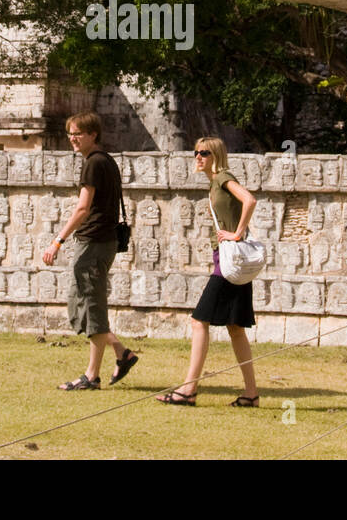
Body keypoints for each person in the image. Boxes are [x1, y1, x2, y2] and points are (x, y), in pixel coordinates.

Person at [40, 111, 140, 390]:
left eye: (78, 133)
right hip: (99, 241)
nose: (72, 138)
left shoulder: (94, 164)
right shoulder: (105, 161)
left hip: (94, 242)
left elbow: (83, 207)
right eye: (70, 133)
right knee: (83, 303)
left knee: (92, 306)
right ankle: (122, 353)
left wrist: (57, 240)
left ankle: (92, 375)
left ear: (92, 134)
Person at [158, 136, 259, 407]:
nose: (198, 157)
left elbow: (249, 200)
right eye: (196, 153)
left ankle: (188, 389)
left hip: (228, 264)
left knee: (198, 321)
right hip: (227, 261)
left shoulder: (223, 178)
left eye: (204, 153)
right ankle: (251, 394)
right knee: (235, 328)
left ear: (216, 155)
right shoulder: (214, 183)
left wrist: (236, 234)